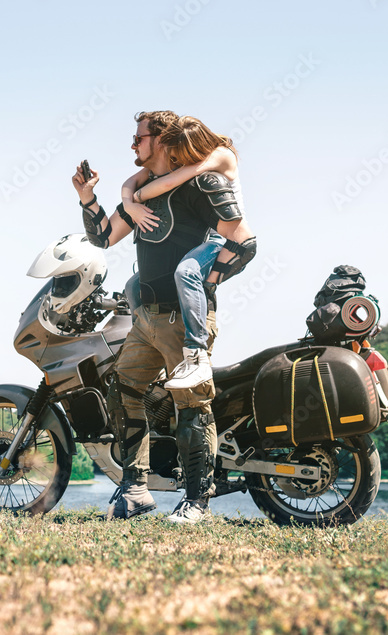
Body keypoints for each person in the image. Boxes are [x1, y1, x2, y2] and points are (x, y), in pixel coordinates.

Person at [73, 110, 241, 523]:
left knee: (192, 404)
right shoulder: (143, 192)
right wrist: (87, 197)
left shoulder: (200, 184)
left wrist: (209, 280)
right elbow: (104, 236)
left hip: (183, 320)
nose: (133, 145)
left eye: (139, 138)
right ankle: (135, 490)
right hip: (145, 318)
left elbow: (239, 237)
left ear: (163, 140)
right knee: (123, 390)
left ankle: (197, 501)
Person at [119, 116, 257, 390]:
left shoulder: (221, 155)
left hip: (223, 237)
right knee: (134, 285)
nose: (176, 158)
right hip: (210, 235)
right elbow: (133, 181)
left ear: (195, 146)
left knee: (187, 272)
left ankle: (196, 356)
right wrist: (129, 202)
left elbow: (172, 180)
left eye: (180, 152)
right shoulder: (191, 162)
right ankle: (147, 336)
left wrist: (137, 198)